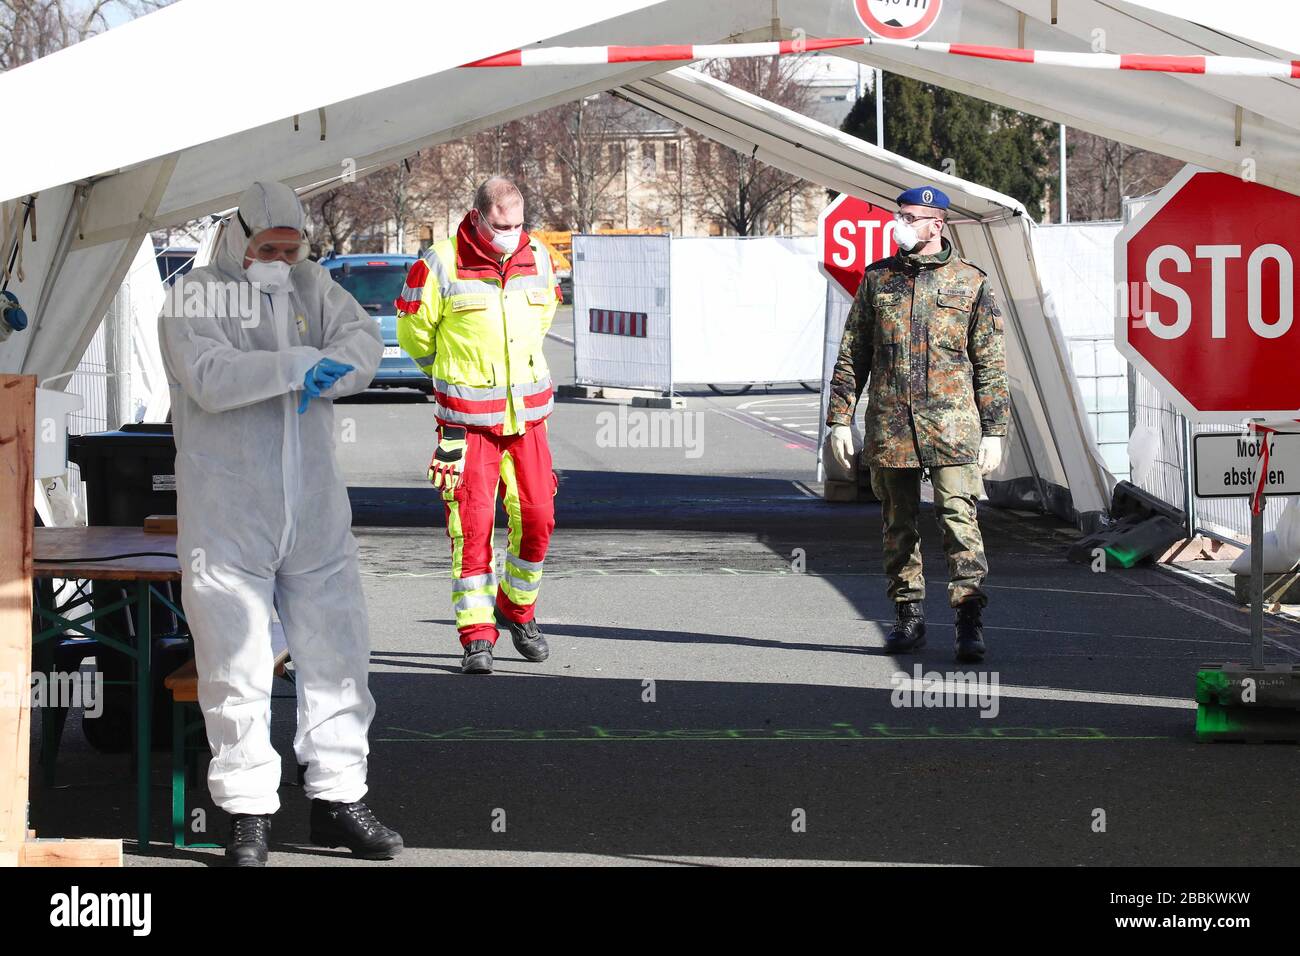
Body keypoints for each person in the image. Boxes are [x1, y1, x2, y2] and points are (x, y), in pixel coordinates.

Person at [158, 181, 402, 866]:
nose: (279, 259)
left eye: (290, 249)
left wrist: (338, 368)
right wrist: (301, 366)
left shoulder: (313, 287)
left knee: (338, 656)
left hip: (315, 511)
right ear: (238, 238)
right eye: (268, 247)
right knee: (234, 662)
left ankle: (339, 797)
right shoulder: (194, 296)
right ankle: (247, 813)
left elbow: (362, 341)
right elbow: (211, 376)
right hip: (228, 513)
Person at [826, 186, 1009, 663]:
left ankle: (969, 618)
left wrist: (995, 430)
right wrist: (840, 420)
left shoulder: (971, 283)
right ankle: (907, 614)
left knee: (959, 519)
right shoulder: (878, 280)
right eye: (898, 215)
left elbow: (990, 363)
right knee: (897, 524)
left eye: (909, 217)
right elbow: (853, 355)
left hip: (951, 429)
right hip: (892, 427)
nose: (899, 223)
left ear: (936, 224)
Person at [396, 176, 559, 675]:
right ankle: (476, 638)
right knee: (472, 529)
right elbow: (413, 333)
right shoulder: (439, 262)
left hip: (527, 418)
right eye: (503, 225)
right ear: (480, 216)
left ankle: (516, 609)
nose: (513, 233)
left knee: (538, 519)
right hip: (464, 425)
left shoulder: (540, 255)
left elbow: (543, 317)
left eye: (519, 224)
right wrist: (451, 376)